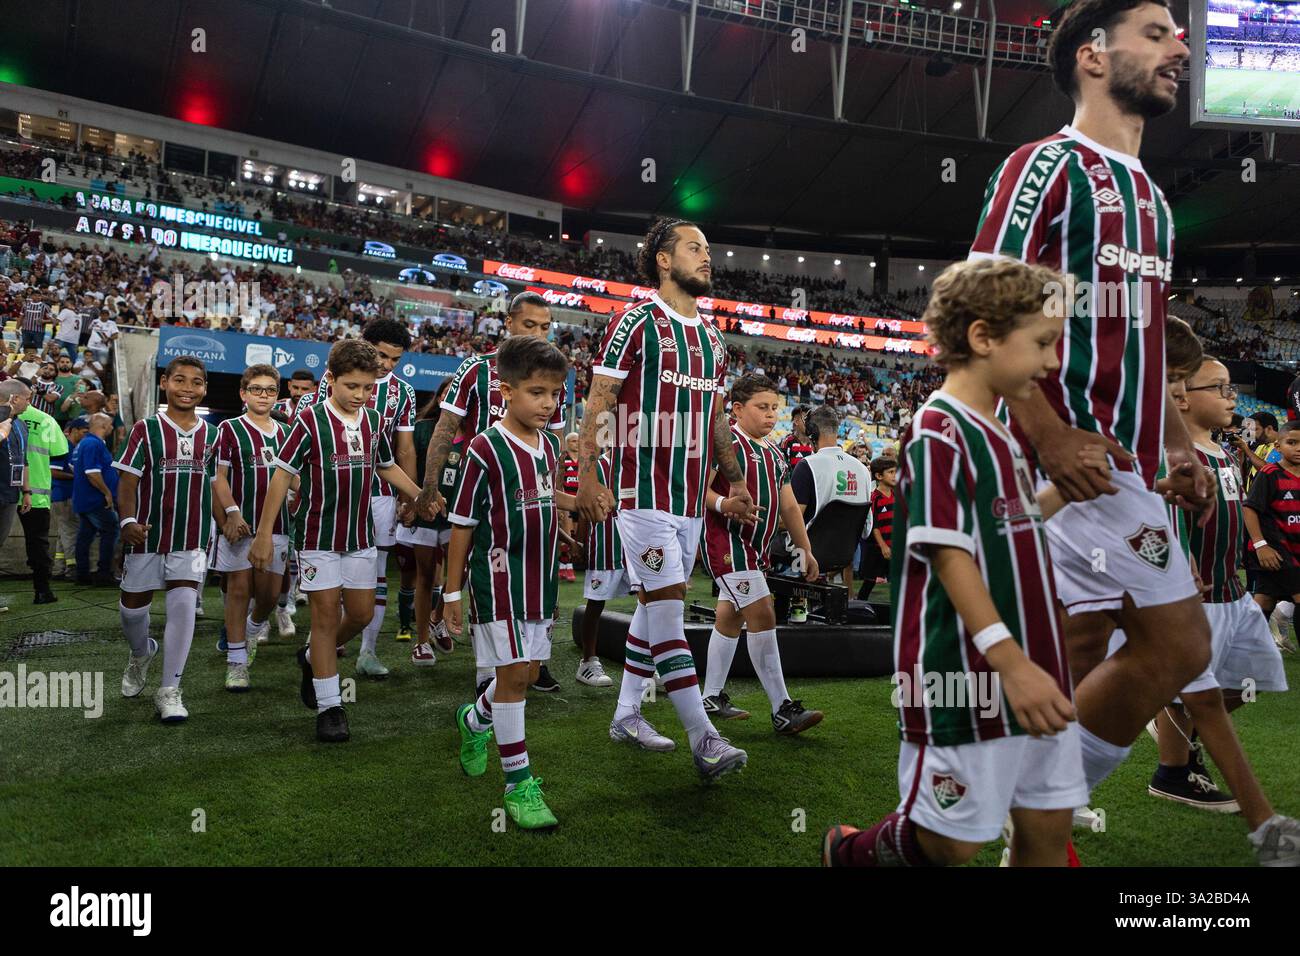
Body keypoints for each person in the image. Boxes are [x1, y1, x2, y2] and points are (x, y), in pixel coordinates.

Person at [967, 0, 1215, 805]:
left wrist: (1178, 440)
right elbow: (982, 302)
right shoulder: (1046, 165)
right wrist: (1047, 435)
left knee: (1072, 655)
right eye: (1157, 32)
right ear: (1094, 58)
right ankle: (1029, 820)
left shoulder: (1151, 196)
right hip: (1073, 469)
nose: (1181, 46)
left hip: (1125, 467)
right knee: (1178, 645)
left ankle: (932, 832)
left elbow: (1142, 337)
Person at [825, 257, 1085, 867]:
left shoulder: (999, 434)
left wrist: (1069, 488)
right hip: (965, 667)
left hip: (1033, 660)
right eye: (1043, 343)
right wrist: (1009, 660)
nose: (1051, 362)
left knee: (1046, 832)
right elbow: (948, 551)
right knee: (954, 842)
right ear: (982, 337)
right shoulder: (939, 428)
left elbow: (1011, 520)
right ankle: (856, 855)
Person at [577, 217, 753, 779]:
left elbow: (719, 420)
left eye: (709, 249)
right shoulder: (635, 323)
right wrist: (587, 475)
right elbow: (600, 401)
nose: (707, 257)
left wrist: (737, 480)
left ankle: (627, 713)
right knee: (672, 610)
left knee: (653, 609)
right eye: (694, 248)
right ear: (662, 259)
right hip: (642, 494)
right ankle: (704, 738)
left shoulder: (714, 339)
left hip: (688, 502)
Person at [1128, 357, 1297, 861]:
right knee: (1193, 692)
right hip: (1196, 598)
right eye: (1219, 387)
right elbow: (1159, 524)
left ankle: (1176, 730)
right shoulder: (1170, 455)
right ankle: (1174, 771)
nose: (1232, 397)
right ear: (1181, 396)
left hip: (1232, 591)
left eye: (1230, 387)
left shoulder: (1221, 452)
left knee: (1256, 677)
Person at [249, 340, 421, 743]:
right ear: (331, 380)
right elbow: (280, 478)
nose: (359, 395)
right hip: (317, 537)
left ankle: (311, 657)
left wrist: (418, 494)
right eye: (351, 386)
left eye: (367, 387)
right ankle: (330, 708)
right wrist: (263, 534)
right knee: (325, 619)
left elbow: (386, 465)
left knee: (360, 615)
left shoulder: (374, 420)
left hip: (361, 536)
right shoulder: (309, 421)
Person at [446, 335, 574, 830]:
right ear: (506, 392)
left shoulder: (550, 445)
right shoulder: (484, 447)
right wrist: (452, 591)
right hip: (497, 579)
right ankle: (519, 786)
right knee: (517, 677)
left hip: (541, 580)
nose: (547, 403)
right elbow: (462, 523)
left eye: (554, 393)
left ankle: (474, 720)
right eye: (537, 392)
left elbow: (540, 496)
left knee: (518, 674)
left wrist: (572, 509)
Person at [415, 292, 567, 694]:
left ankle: (534, 659)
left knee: (535, 570)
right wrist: (429, 485)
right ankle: (490, 672)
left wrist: (560, 502)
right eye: (530, 325)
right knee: (475, 568)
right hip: (481, 488)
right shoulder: (475, 369)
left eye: (545, 326)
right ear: (509, 323)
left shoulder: (552, 376)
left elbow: (556, 440)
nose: (539, 333)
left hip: (529, 495)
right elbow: (446, 427)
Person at [698, 373, 824, 732]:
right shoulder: (728, 444)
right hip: (725, 542)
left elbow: (789, 507)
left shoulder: (774, 452)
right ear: (737, 409)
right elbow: (698, 491)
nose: (770, 415)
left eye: (774, 408)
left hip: (754, 547)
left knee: (730, 617)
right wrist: (724, 504)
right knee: (763, 609)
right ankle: (782, 708)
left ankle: (711, 696)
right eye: (762, 407)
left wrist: (806, 549)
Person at [295, 320, 416, 679]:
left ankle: (368, 651)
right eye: (381, 355)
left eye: (395, 359)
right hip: (333, 495)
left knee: (375, 576)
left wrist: (408, 496)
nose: (387, 365)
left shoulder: (403, 393)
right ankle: (325, 649)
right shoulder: (333, 382)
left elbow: (403, 448)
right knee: (332, 594)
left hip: (379, 494)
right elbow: (317, 438)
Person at [114, 356, 219, 723]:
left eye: (196, 382)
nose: (188, 388)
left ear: (204, 388)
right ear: (164, 383)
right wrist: (127, 519)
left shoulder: (212, 434)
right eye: (180, 380)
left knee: (183, 606)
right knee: (131, 610)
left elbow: (216, 484)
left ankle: (169, 690)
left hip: (190, 537)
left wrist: (231, 516)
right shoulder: (146, 429)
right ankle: (141, 652)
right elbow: (127, 481)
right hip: (146, 535)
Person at [212, 366, 291, 693]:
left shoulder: (287, 433)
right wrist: (230, 514)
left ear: (277, 394)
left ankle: (253, 627)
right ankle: (236, 661)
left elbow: (295, 477)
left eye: (270, 390)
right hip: (240, 526)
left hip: (277, 525)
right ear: (243, 393)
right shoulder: (229, 429)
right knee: (239, 590)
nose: (263, 395)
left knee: (270, 595)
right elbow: (218, 477)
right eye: (256, 389)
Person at [397, 378, 459, 665]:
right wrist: (410, 502)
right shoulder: (422, 429)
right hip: (424, 511)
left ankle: (437, 617)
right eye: (447, 392)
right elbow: (407, 464)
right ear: (439, 396)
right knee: (425, 575)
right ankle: (422, 642)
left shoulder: (474, 431)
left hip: (458, 511)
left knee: (462, 569)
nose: (452, 397)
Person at [16, 376, 66, 604]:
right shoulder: (45, 420)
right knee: (38, 544)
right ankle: (42, 591)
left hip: (6, 489)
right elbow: (59, 450)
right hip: (36, 493)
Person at [71, 412, 118, 585]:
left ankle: (83, 574)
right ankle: (104, 573)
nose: (112, 428)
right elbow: (92, 473)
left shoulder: (83, 444)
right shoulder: (93, 444)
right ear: (104, 426)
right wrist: (107, 492)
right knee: (111, 530)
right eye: (111, 424)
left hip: (84, 498)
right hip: (94, 499)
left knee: (86, 535)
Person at [0, 382, 33, 606]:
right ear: (14, 398)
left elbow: (23, 460)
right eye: (27, 398)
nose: (29, 403)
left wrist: (26, 491)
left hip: (10, 494)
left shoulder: (21, 426)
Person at [50, 417, 89, 579]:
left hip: (64, 494)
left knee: (63, 532)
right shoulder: (64, 446)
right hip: (63, 495)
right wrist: (77, 477)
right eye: (84, 432)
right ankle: (72, 568)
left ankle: (59, 569)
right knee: (71, 532)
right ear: (74, 430)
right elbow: (53, 471)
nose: (86, 436)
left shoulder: (74, 447)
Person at [856, 457, 897, 600]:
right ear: (879, 476)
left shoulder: (897, 495)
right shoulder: (874, 498)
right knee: (870, 581)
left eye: (896, 472)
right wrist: (883, 546)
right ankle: (860, 606)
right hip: (877, 548)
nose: (895, 475)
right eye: (891, 472)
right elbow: (874, 525)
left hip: (894, 547)